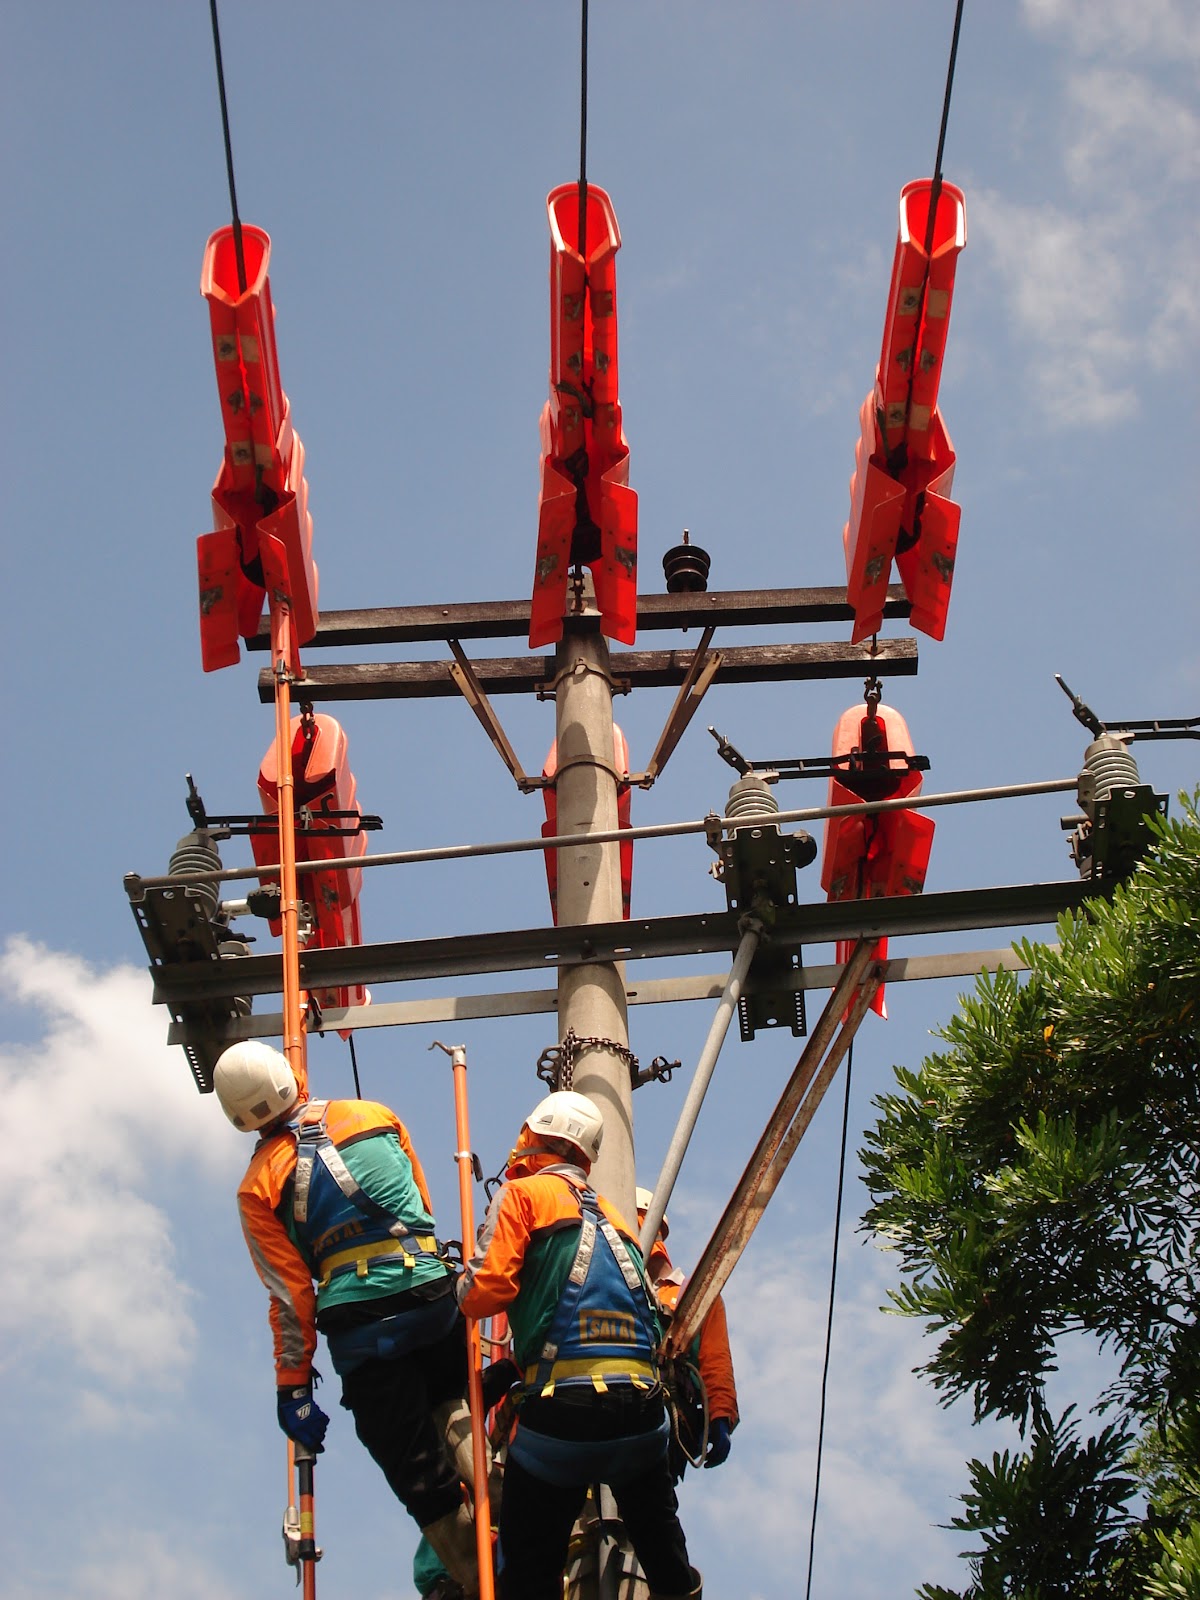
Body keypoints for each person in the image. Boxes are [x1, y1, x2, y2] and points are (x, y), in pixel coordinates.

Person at [213, 1040, 481, 1597]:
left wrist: (293, 1388)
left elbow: (290, 1297)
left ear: (239, 1118)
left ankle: (488, 1577)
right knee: (452, 1405)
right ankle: (508, 1495)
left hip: (362, 1327)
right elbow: (420, 1207)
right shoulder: (374, 1114)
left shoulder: (257, 1185)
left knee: (418, 1475)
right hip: (432, 1297)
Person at [457, 1090, 702, 1600]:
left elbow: (485, 1293)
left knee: (529, 1565)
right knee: (663, 1547)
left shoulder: (523, 1196)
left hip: (560, 1421)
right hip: (639, 1413)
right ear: (584, 1156)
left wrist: (455, 1286)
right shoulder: (619, 1221)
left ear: (534, 1137)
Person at [635, 1188, 739, 1477]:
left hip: (667, 1415)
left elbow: (715, 1360)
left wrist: (720, 1416)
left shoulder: (692, 1295)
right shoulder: (609, 1283)